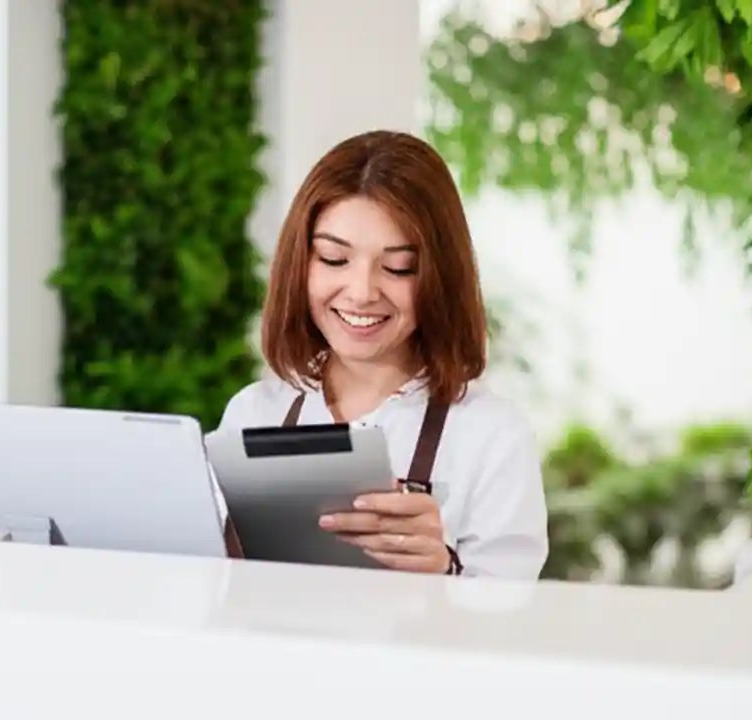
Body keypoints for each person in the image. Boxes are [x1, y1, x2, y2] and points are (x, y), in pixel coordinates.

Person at [212, 130, 548, 580]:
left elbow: (513, 612)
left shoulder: (491, 435)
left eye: (398, 268)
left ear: (440, 277)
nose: (362, 292)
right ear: (300, 264)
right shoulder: (253, 415)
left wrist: (445, 570)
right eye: (334, 259)